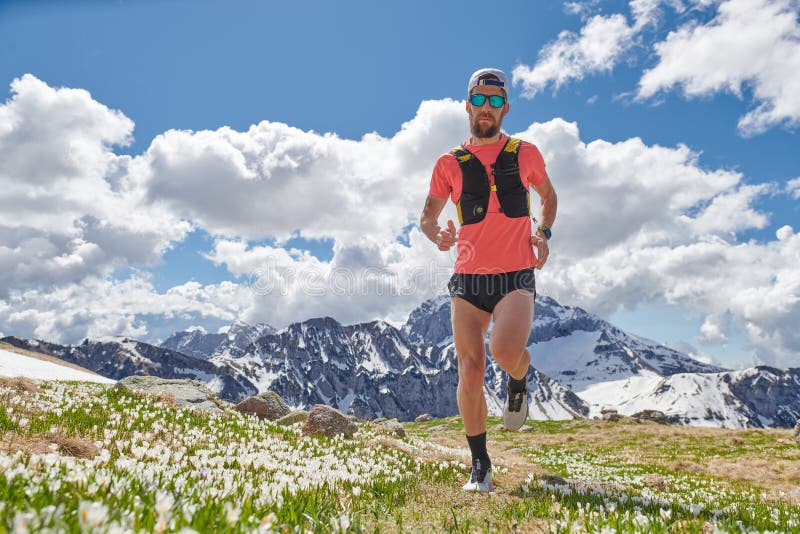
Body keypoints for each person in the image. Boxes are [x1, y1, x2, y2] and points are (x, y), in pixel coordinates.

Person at [419, 67, 557, 493]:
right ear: (467, 105)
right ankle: (480, 463)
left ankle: (520, 378)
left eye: (495, 101)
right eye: (480, 99)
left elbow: (548, 197)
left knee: (503, 350)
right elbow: (427, 216)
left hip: (515, 274)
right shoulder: (449, 163)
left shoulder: (525, 153)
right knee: (470, 368)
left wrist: (543, 231)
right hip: (467, 279)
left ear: (505, 108)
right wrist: (437, 232)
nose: (486, 108)